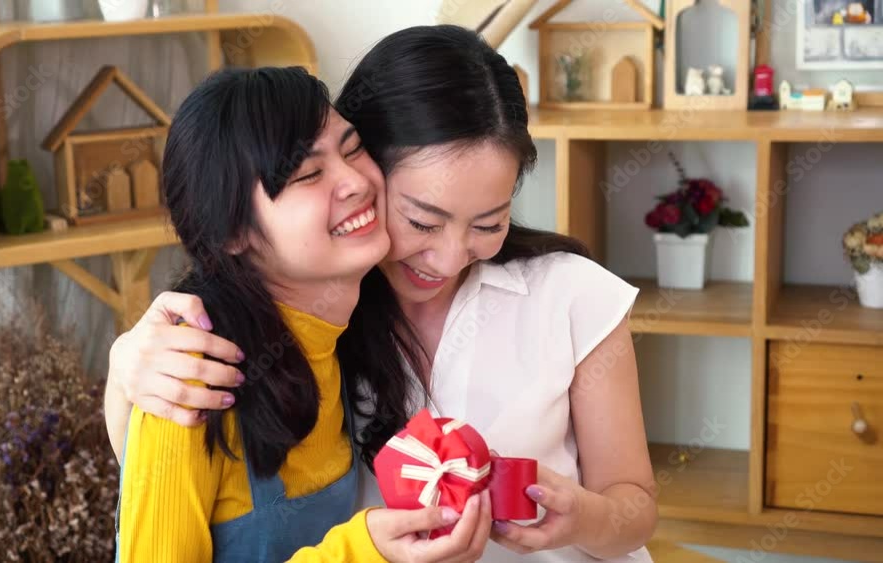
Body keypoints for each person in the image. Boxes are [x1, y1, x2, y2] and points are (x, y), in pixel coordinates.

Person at [106, 25, 657, 562]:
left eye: (489, 224)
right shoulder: (249, 352)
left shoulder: (565, 295)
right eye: (421, 221)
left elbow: (632, 501)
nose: (447, 258)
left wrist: (582, 518)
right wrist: (124, 372)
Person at [113, 65, 492, 563]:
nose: (356, 181)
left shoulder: (342, 338)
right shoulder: (194, 380)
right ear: (232, 233)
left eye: (353, 148)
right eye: (309, 174)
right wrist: (360, 552)